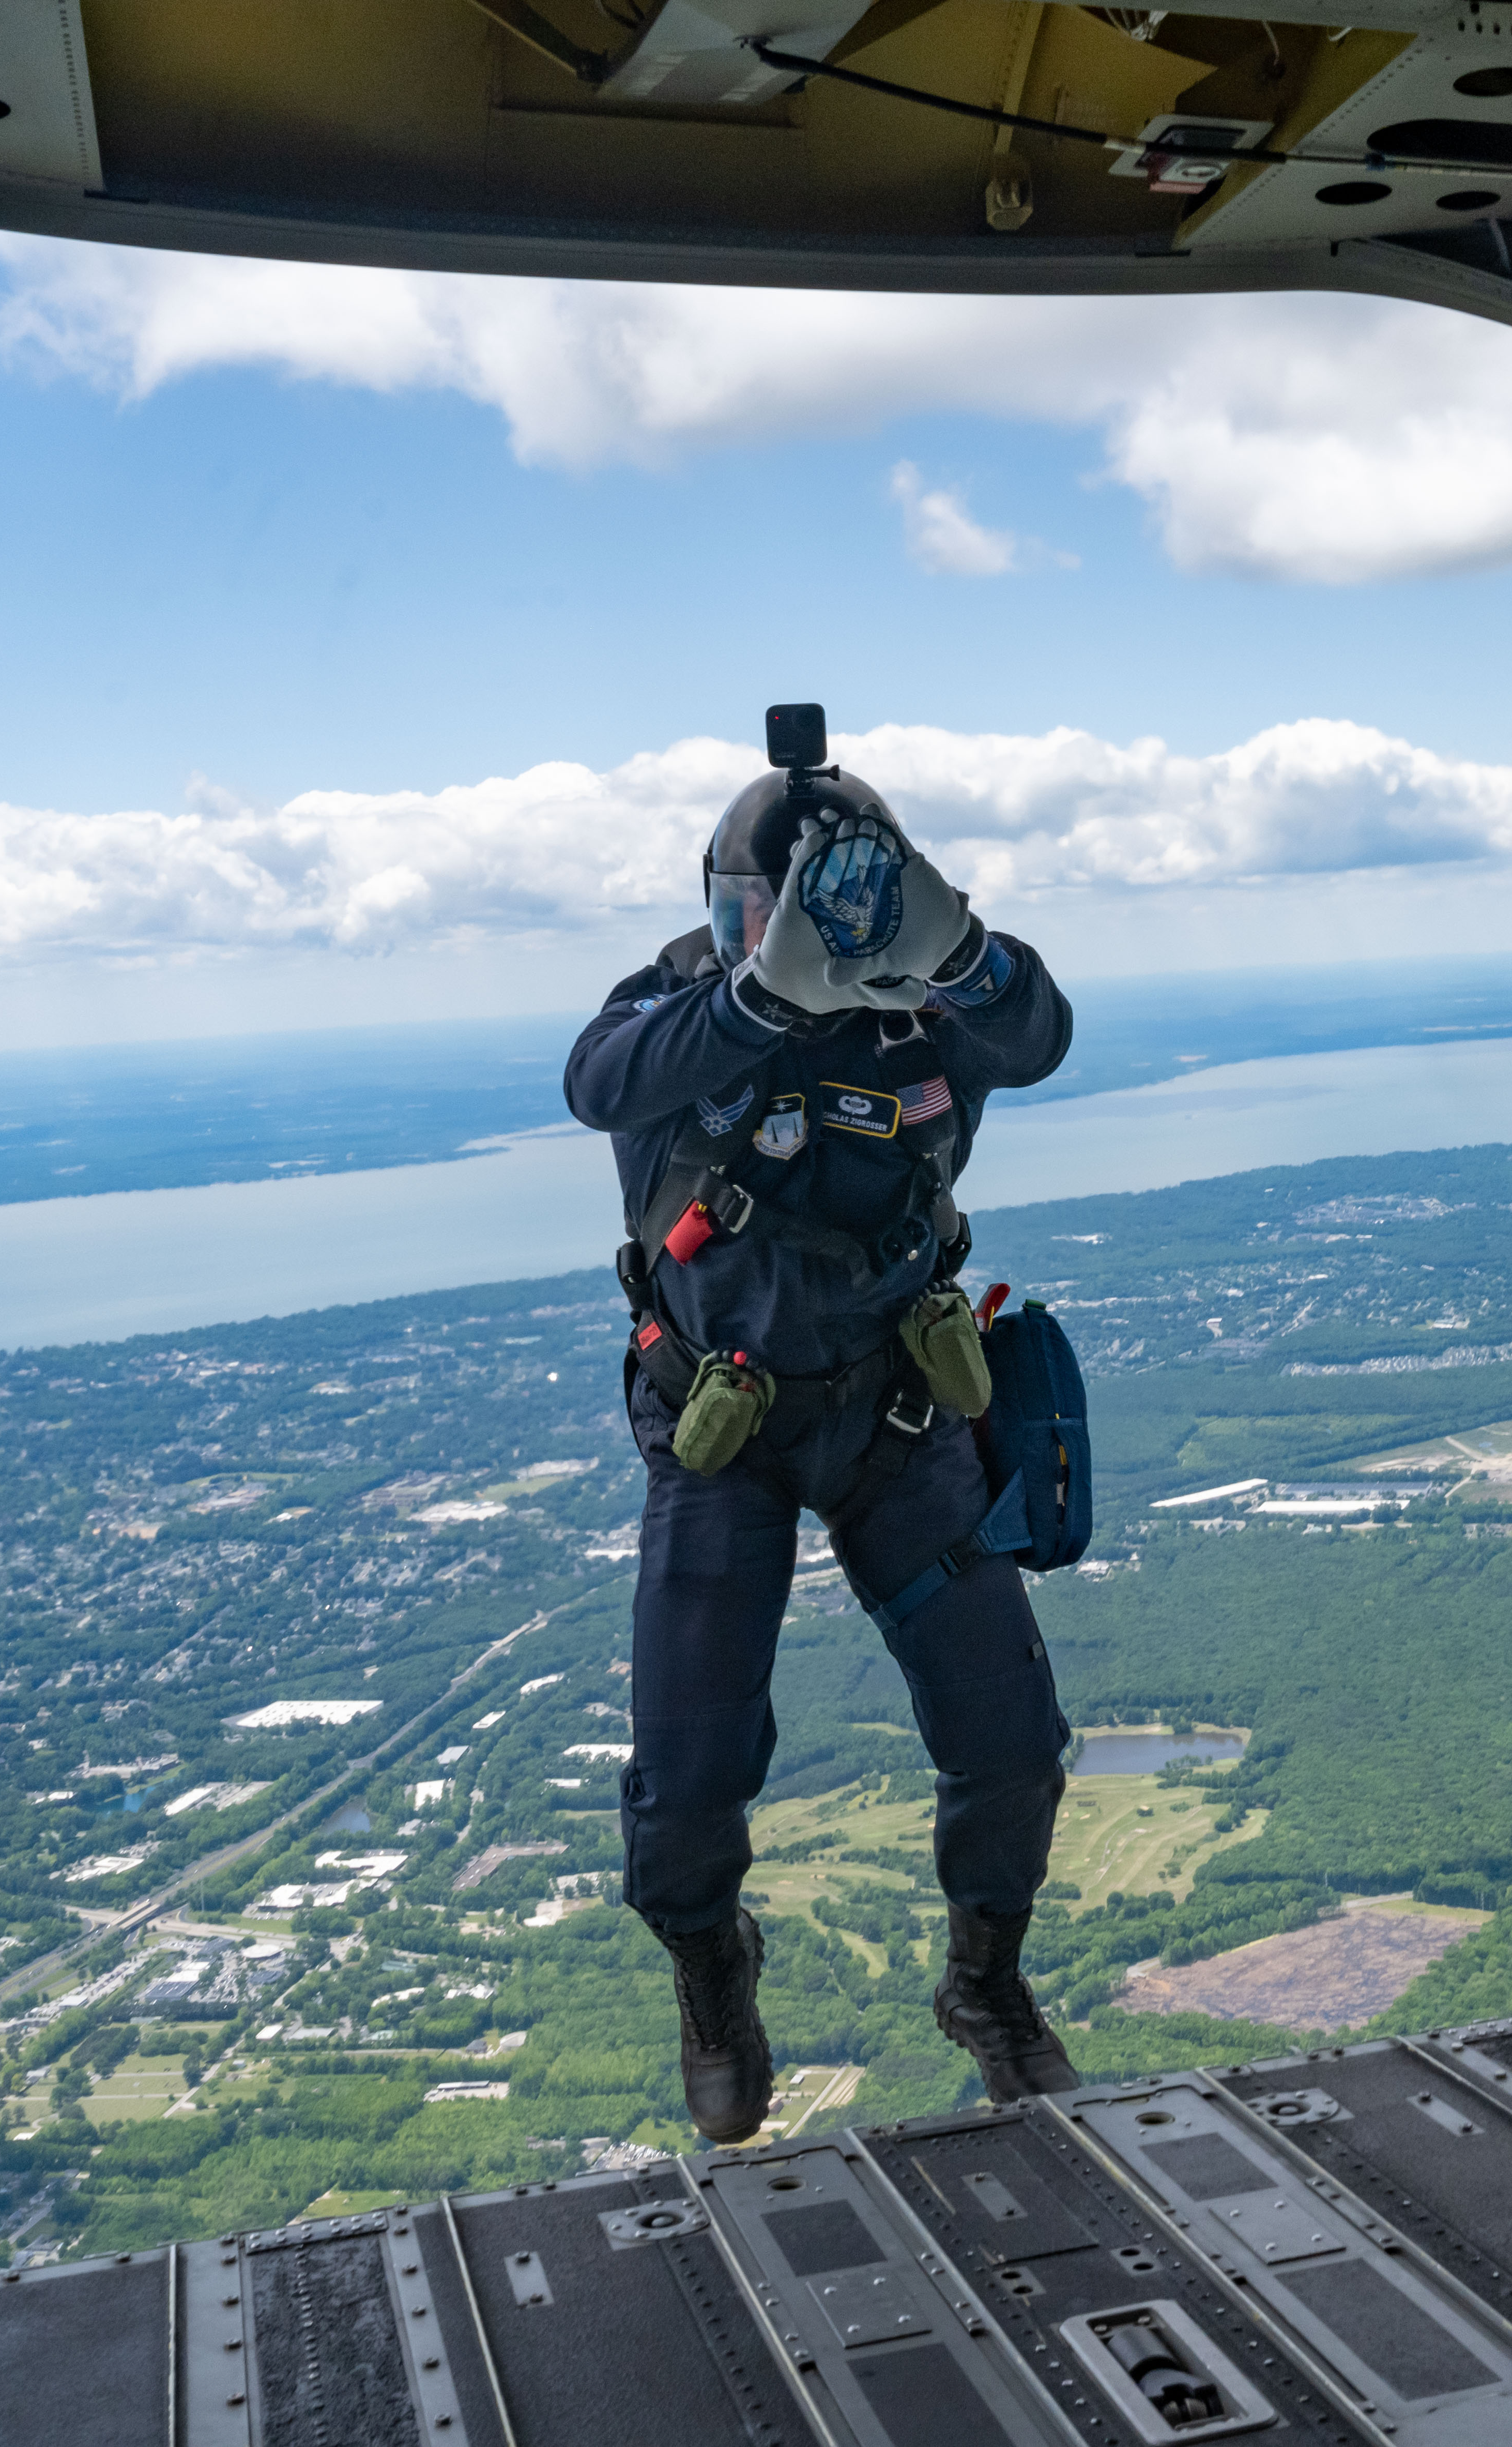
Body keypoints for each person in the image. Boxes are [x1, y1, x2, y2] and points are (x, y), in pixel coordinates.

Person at [564, 718, 1078, 2143]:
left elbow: (1037, 1032)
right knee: (684, 1787)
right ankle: (713, 1976)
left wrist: (960, 953)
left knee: (1011, 1739)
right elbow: (597, 1081)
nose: (801, 936)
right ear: (723, 912)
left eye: (830, 912)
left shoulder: (931, 1011)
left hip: (896, 1416)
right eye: (761, 915)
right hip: (722, 1429)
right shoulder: (675, 1008)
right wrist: (759, 1000)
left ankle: (987, 1988)